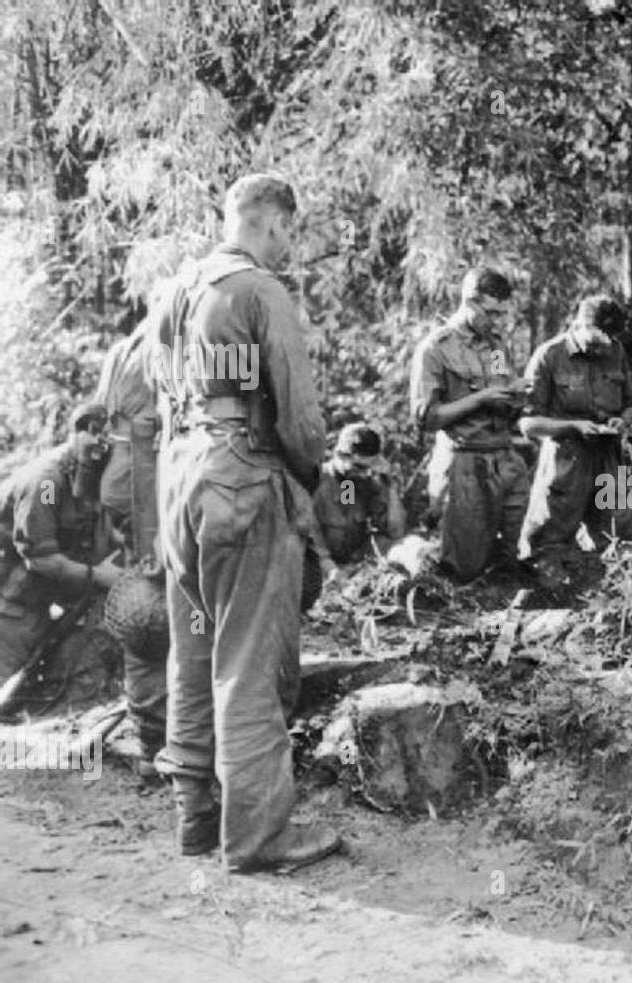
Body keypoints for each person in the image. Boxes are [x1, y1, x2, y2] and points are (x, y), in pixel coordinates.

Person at [148, 172, 339, 872]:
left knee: (193, 652)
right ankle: (258, 839)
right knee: (250, 661)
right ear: (268, 221)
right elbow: (299, 421)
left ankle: (194, 820)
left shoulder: (175, 290)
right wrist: (311, 477)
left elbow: (161, 390)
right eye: (288, 232)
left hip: (182, 479)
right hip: (242, 480)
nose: (289, 247)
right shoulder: (260, 290)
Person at [410, 268, 529, 580]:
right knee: (463, 567)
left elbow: (502, 384)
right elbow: (428, 418)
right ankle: (411, 553)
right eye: (490, 313)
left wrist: (516, 396)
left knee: (510, 555)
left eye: (502, 314)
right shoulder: (436, 349)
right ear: (469, 303)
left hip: (504, 457)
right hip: (464, 461)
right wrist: (480, 399)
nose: (497, 321)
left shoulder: (495, 347)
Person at [0, 403, 123, 693]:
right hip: (13, 598)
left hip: (40, 586)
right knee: (7, 687)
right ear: (85, 432)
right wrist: (99, 575)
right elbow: (40, 560)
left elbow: (96, 523)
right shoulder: (46, 483)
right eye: (99, 438)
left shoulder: (90, 474)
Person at [519, 295, 632, 573]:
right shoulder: (549, 356)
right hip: (566, 463)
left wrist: (621, 421)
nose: (602, 350)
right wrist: (573, 426)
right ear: (579, 324)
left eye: (608, 343)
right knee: (547, 547)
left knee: (623, 539)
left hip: (608, 460)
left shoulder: (617, 352)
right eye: (597, 342)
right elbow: (528, 424)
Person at [94, 323, 168, 776]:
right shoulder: (163, 349)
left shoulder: (123, 348)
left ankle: (150, 737)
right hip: (143, 481)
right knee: (150, 611)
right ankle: (155, 741)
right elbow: (151, 429)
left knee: (145, 610)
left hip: (122, 478)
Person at [309, 423, 407, 574]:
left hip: (355, 560)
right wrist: (331, 569)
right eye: (359, 467)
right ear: (340, 455)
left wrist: (390, 487)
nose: (364, 473)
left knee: (404, 548)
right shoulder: (315, 483)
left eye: (369, 467)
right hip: (320, 564)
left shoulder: (354, 483)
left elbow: (395, 533)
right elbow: (311, 538)